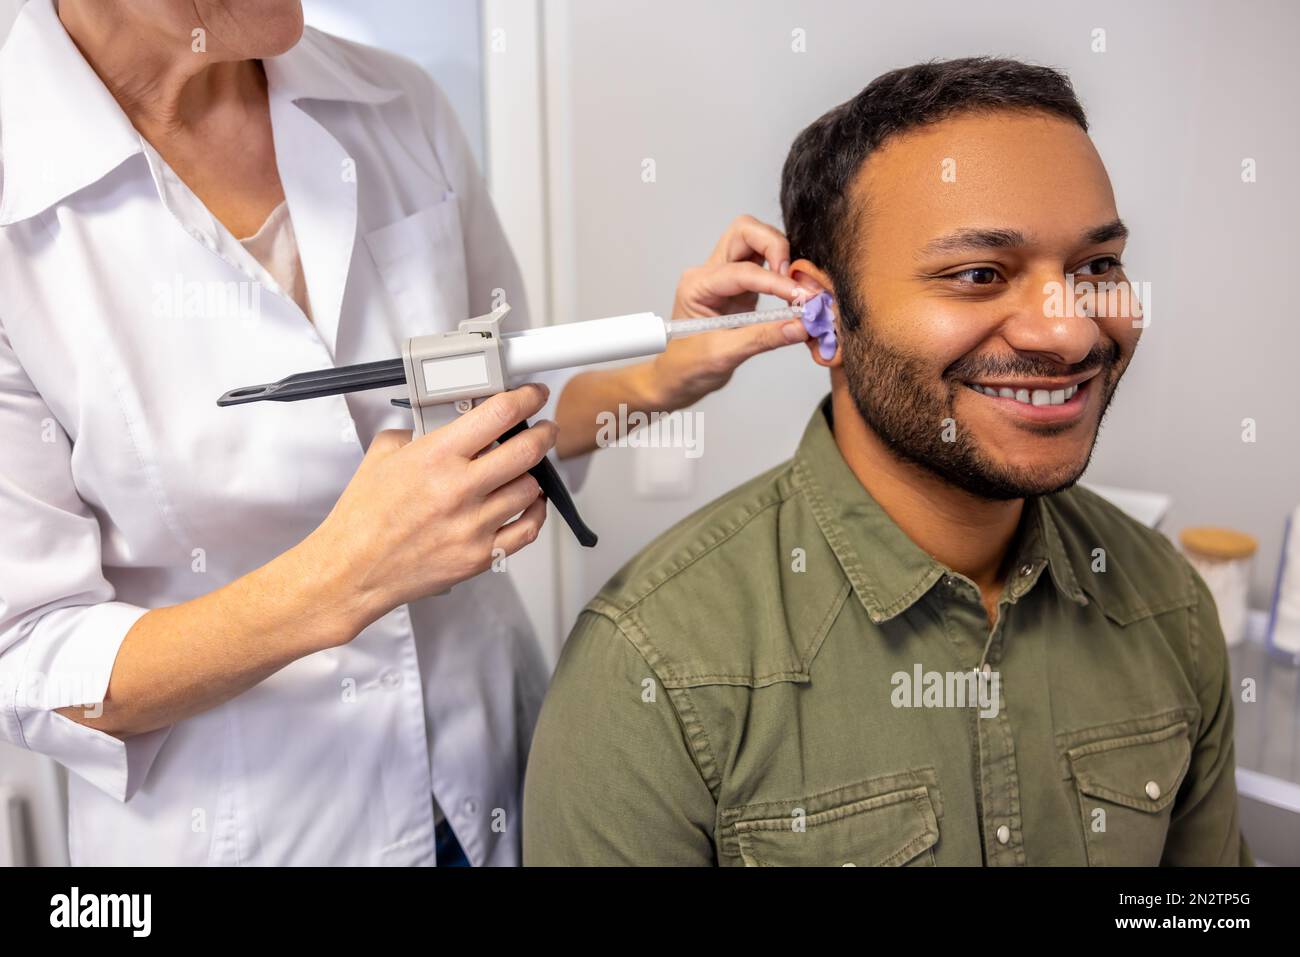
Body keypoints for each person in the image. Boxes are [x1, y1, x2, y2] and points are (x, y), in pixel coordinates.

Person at [0, 0, 809, 865]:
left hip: (490, 772)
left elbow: (502, 405)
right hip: (266, 830)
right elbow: (34, 659)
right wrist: (343, 578)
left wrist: (668, 364)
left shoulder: (394, 104)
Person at [523, 57, 1252, 866]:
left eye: (1097, 267)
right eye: (980, 274)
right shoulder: (649, 673)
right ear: (822, 316)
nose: (1071, 332)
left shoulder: (1168, 607)